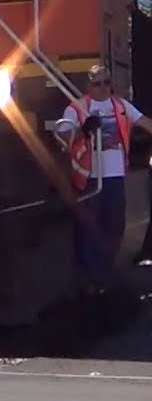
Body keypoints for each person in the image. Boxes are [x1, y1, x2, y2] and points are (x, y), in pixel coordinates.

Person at [57, 65, 152, 291]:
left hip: (115, 176)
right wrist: (83, 130)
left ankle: (105, 272)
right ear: (89, 86)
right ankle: (89, 277)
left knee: (114, 224)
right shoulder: (78, 108)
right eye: (97, 83)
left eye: (106, 83)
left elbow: (145, 123)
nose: (102, 88)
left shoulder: (120, 106)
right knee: (90, 227)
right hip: (89, 178)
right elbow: (62, 136)